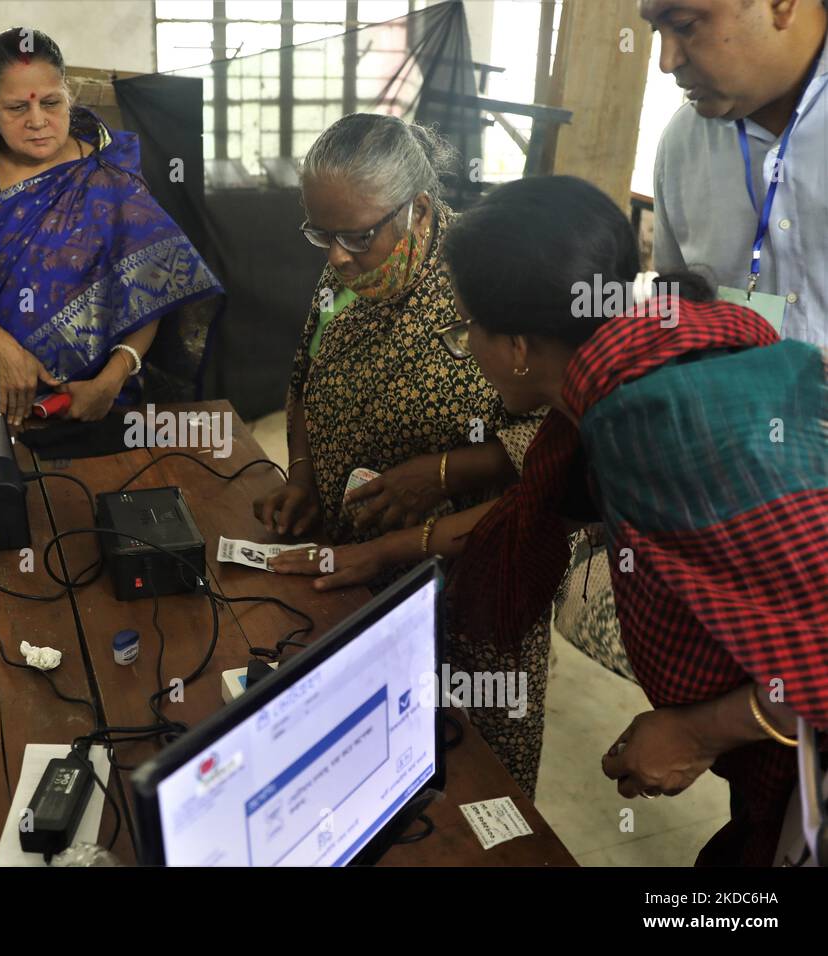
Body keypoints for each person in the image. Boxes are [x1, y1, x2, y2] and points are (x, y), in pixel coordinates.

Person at [440, 174, 827, 866]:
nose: (464, 342)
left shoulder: (660, 430)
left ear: (519, 347)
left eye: (467, 322)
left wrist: (700, 732)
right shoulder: (672, 352)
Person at [253, 113, 551, 796]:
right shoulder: (347, 269)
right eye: (319, 234)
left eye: (357, 235)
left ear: (419, 209)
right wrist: (302, 475)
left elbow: (552, 436)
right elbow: (307, 376)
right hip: (356, 566)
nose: (335, 256)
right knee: (363, 765)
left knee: (469, 781)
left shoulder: (492, 279)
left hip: (472, 584)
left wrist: (441, 473)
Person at [0, 28, 223, 428]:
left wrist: (112, 380)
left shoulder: (108, 171)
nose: (37, 121)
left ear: (69, 94)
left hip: (97, 398)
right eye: (16, 109)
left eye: (51, 103)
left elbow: (153, 281)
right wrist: (3, 349)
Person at [644, 0, 827, 346]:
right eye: (657, 31)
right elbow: (674, 305)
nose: (666, 62)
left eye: (684, 25)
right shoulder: (683, 143)